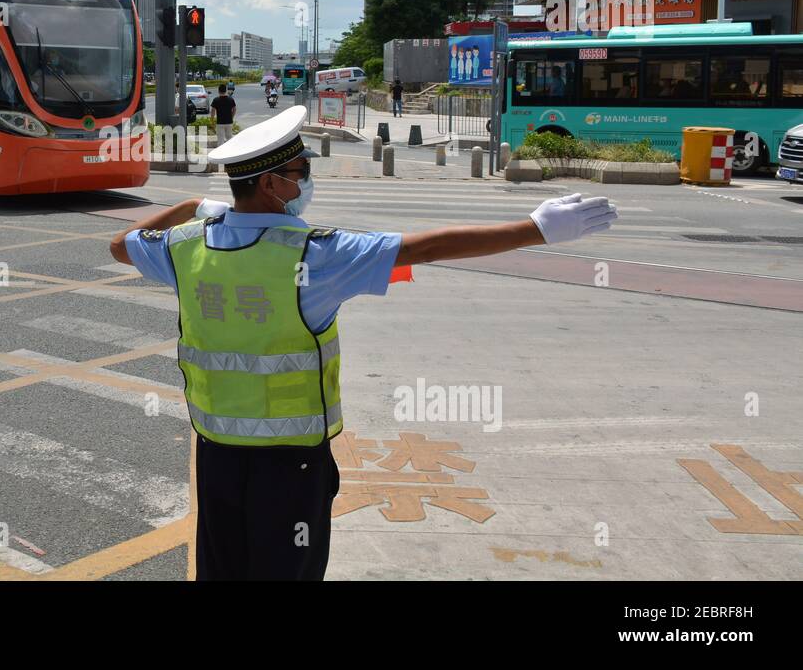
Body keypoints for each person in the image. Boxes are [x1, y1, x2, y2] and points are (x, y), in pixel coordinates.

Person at [109, 106, 617, 581]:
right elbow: (429, 246)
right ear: (269, 183)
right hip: (291, 465)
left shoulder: (185, 244)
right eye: (300, 171)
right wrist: (535, 229)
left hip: (216, 456)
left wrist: (190, 206)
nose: (306, 180)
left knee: (224, 571)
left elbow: (119, 245)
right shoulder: (316, 253)